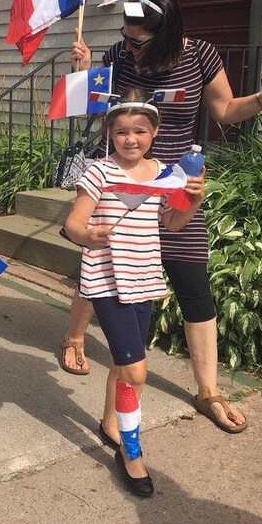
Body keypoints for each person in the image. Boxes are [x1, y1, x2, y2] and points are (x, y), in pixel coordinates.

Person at [65, 0, 262, 433]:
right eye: (125, 38)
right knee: (101, 266)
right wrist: (84, 72)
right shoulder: (121, 54)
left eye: (139, 42)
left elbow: (225, 110)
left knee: (192, 281)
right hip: (123, 183)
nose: (129, 47)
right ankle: (74, 336)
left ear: (168, 34)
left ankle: (208, 390)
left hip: (175, 183)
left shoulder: (201, 55)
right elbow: (93, 106)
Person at [64, 87, 204, 497]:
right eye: (122, 131)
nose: (131, 139)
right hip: (106, 279)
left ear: (154, 132)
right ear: (110, 131)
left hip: (144, 279)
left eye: (140, 131)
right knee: (137, 371)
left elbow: (173, 224)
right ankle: (130, 451)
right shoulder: (98, 172)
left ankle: (110, 422)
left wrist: (193, 201)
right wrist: (89, 236)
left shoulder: (164, 173)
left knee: (125, 364)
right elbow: (73, 224)